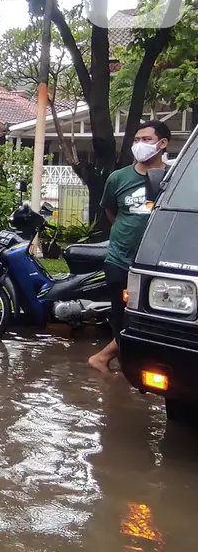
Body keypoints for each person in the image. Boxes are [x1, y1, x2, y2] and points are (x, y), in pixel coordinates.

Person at [88, 120, 171, 373]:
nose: (139, 145)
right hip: (120, 259)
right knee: (121, 316)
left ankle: (107, 359)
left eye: (146, 139)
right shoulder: (118, 178)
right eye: (136, 140)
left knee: (157, 316)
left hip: (158, 261)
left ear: (162, 144)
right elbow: (112, 213)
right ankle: (124, 366)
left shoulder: (173, 177)